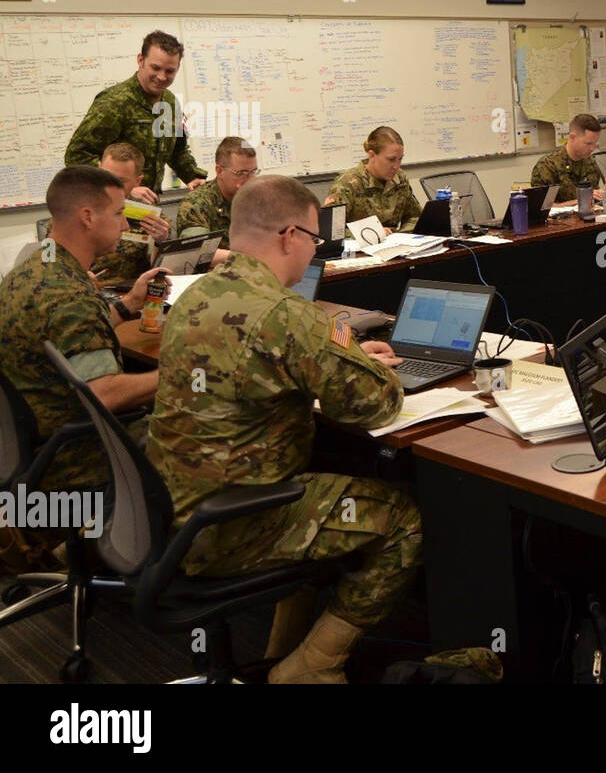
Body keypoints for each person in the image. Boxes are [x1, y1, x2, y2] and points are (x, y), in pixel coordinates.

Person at [146, 175, 422, 684]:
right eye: (315, 241)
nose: (314, 252)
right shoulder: (289, 314)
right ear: (290, 236)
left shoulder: (196, 295)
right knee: (401, 518)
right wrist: (365, 363)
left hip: (166, 507)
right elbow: (375, 405)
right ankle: (313, 666)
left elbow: (260, 365)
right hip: (229, 526)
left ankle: (280, 650)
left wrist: (341, 356)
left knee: (324, 476)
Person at [0, 167, 165, 493]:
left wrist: (128, 303)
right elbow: (103, 393)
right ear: (87, 217)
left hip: (29, 447)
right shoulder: (71, 296)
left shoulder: (31, 270)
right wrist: (180, 372)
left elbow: (67, 336)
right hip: (74, 460)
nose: (124, 225)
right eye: (119, 214)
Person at [64, 30, 207, 196]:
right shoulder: (115, 102)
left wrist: (191, 175)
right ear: (141, 60)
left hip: (149, 204)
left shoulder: (170, 102)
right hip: (112, 204)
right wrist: (125, 187)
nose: (161, 77)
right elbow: (76, 155)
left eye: (169, 71)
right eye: (155, 68)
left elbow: (177, 151)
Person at [90, 144, 171, 290]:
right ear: (98, 168)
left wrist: (161, 242)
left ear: (137, 181)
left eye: (120, 181)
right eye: (105, 176)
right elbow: (48, 256)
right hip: (89, 293)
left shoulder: (152, 218)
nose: (109, 185)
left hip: (134, 292)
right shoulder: (77, 207)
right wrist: (73, 275)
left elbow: (163, 271)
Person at [324, 126, 421, 234]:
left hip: (394, 246)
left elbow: (415, 217)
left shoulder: (399, 179)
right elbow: (331, 230)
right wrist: (371, 233)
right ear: (372, 155)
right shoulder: (348, 183)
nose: (396, 166)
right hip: (361, 247)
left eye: (400, 159)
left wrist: (400, 236)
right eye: (391, 159)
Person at [175, 135, 260, 248]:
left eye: (253, 172)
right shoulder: (196, 204)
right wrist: (248, 257)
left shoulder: (259, 199)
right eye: (242, 173)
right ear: (219, 171)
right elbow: (197, 251)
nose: (250, 180)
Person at [530, 113, 605, 205]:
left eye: (595, 143)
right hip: (559, 219)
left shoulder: (591, 163)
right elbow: (543, 207)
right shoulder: (548, 166)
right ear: (572, 137)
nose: (592, 149)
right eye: (588, 143)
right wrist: (580, 202)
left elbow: (593, 198)